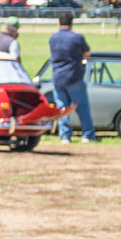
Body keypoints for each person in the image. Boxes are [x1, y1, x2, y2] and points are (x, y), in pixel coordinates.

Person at [49, 12, 95, 143]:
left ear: (59, 23)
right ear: (72, 23)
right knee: (82, 106)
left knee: (62, 108)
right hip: (74, 76)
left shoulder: (53, 38)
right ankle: (87, 135)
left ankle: (65, 136)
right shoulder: (77, 37)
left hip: (57, 77)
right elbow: (87, 53)